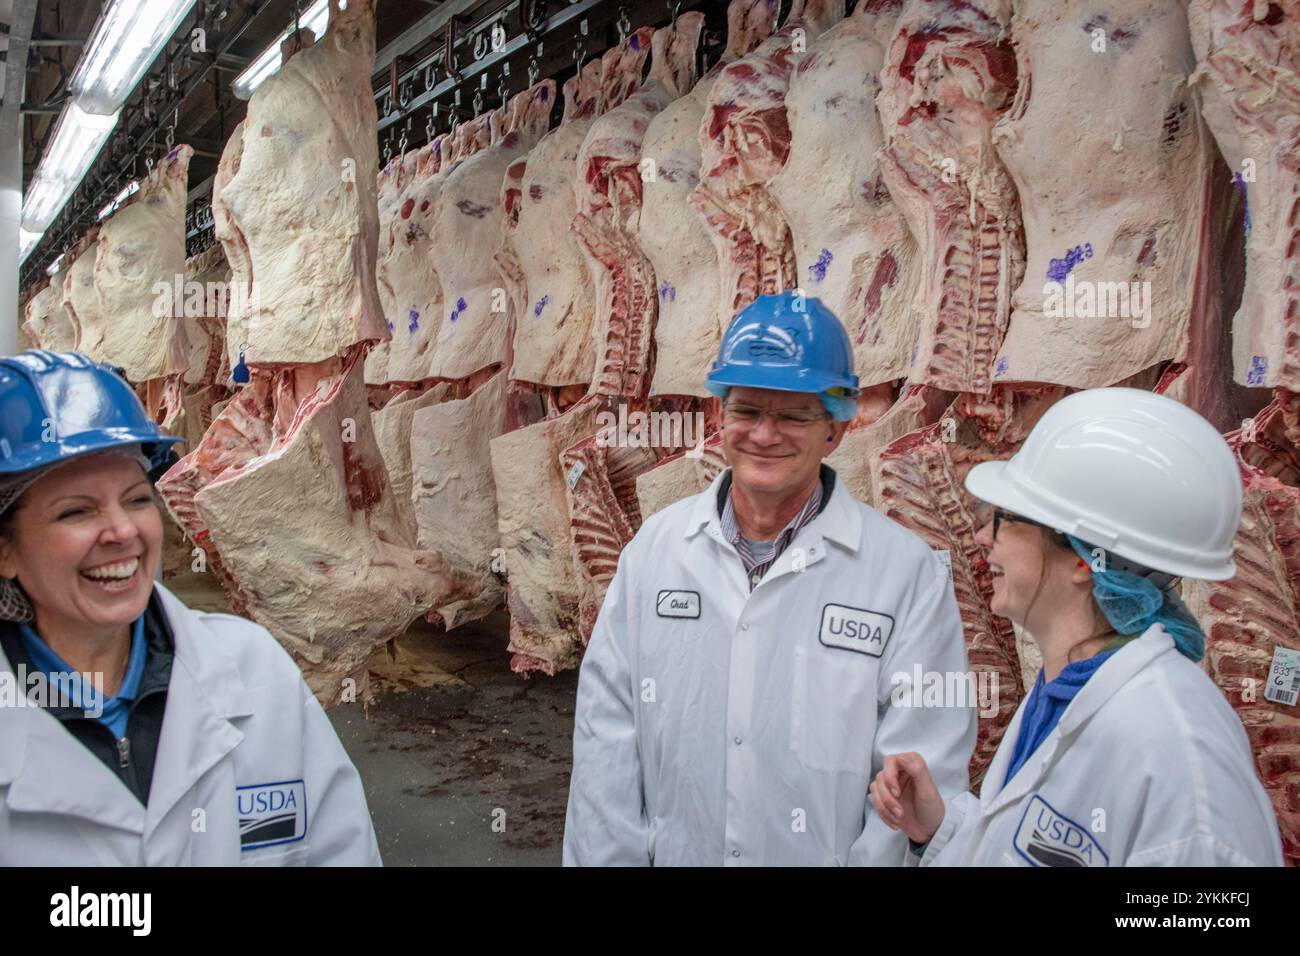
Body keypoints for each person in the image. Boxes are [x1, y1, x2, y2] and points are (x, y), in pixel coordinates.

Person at [563, 292, 975, 865]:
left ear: (835, 429)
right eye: (748, 411)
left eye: (792, 416)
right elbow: (606, 740)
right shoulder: (655, 551)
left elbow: (915, 774)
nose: (764, 434)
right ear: (718, 418)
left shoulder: (905, 574)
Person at [869, 387, 1284, 866]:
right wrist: (937, 832)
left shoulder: (1179, 752)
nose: (983, 538)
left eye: (1004, 520)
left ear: (1085, 560)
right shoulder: (1065, 686)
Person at [0, 351, 381, 865]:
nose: (123, 531)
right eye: (76, 511)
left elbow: (341, 851)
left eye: (136, 500)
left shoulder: (252, 665)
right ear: (7, 550)